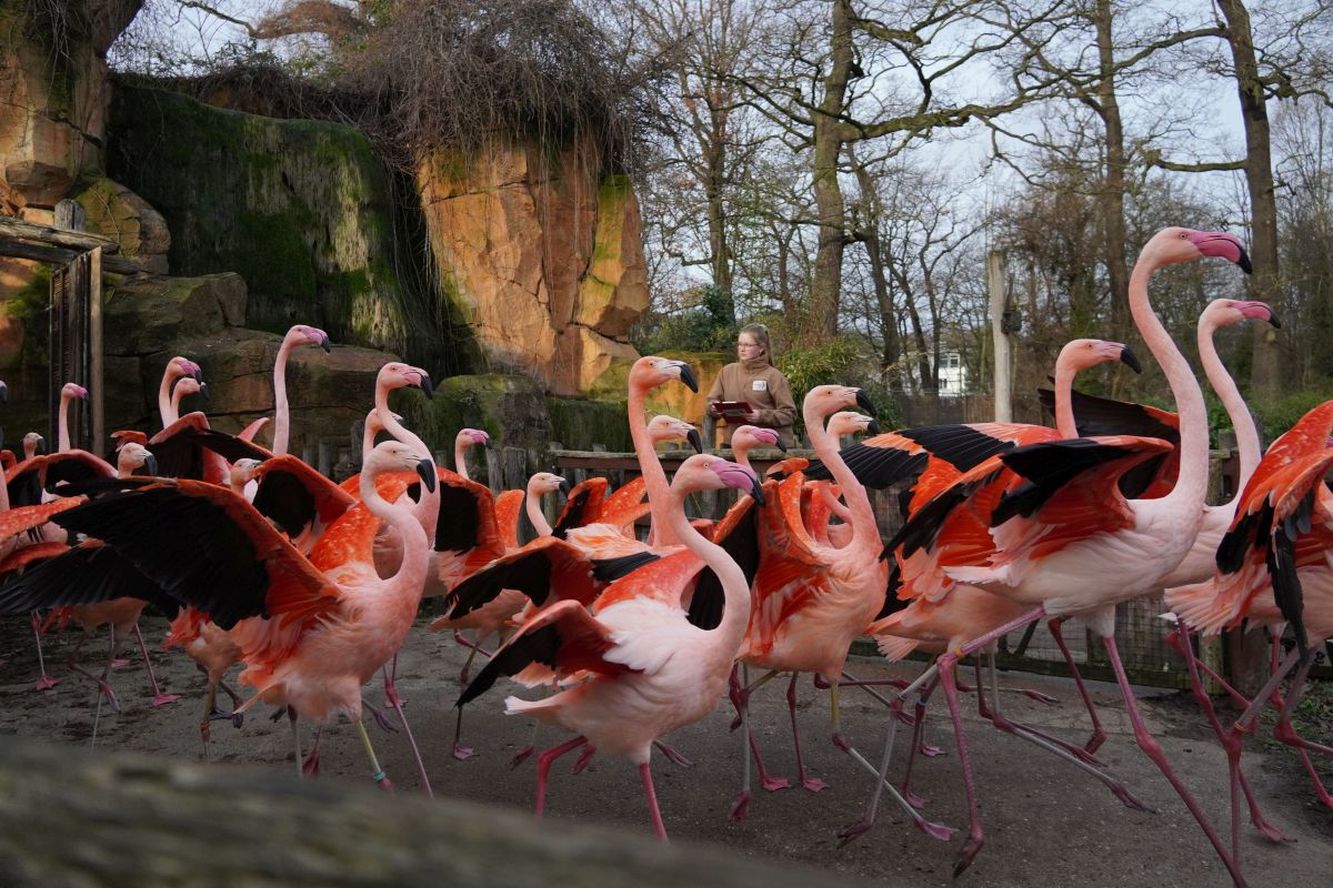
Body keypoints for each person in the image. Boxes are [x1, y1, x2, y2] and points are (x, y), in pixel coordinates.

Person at [706, 323, 797, 447]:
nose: (742, 349)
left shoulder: (774, 376)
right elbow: (711, 401)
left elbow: (789, 414)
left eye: (748, 345)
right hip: (734, 444)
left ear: (761, 348)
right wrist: (713, 408)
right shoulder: (726, 372)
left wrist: (760, 416)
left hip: (769, 449)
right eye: (740, 344)